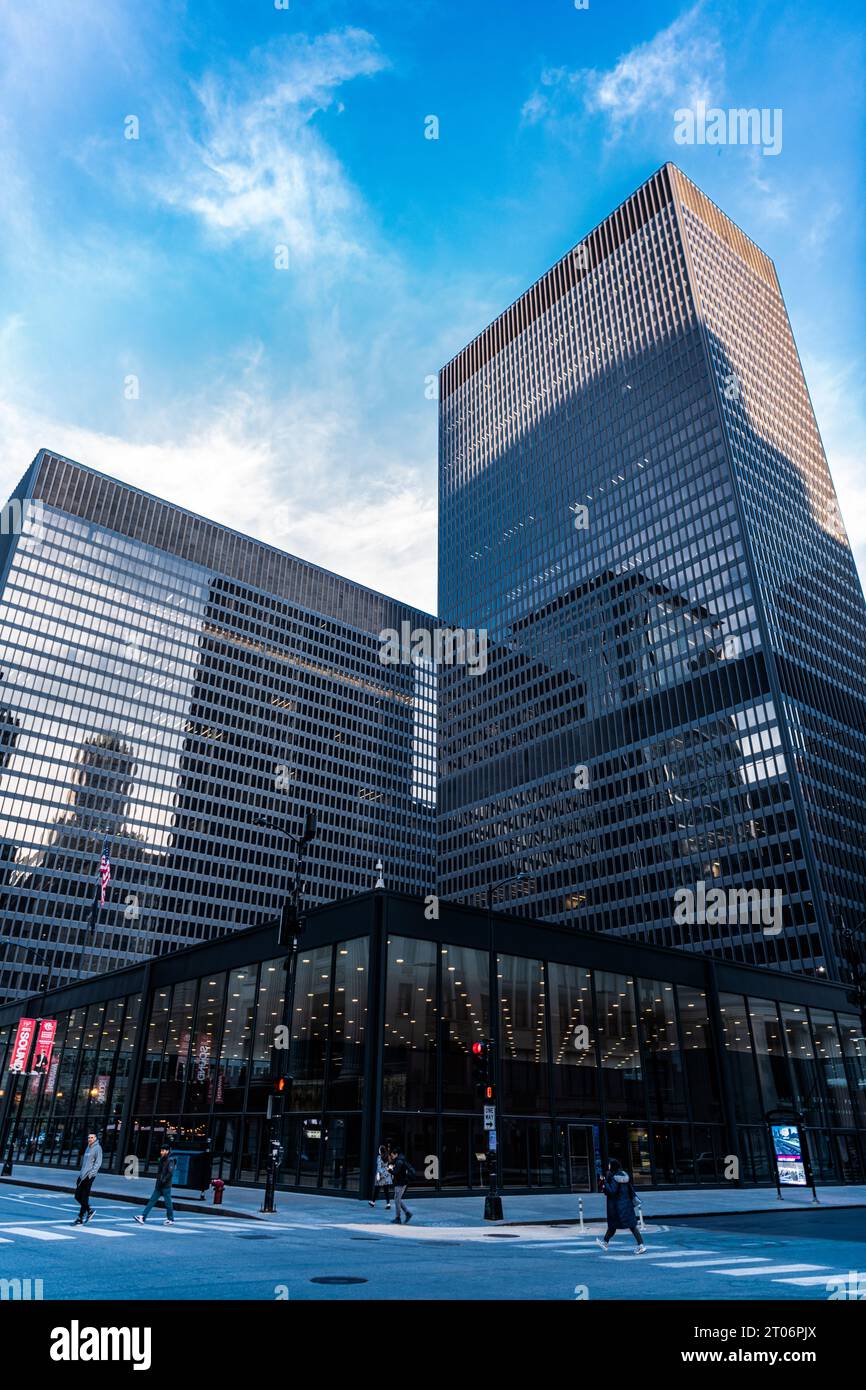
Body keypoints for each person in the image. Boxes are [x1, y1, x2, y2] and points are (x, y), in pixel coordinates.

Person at [596, 1157, 645, 1253]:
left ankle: (605, 1242)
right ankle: (640, 1245)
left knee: (613, 1225)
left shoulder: (614, 1178)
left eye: (610, 1165)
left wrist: (605, 1181)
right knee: (631, 1226)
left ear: (613, 1167)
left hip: (616, 1207)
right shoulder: (624, 1177)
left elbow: (612, 1191)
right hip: (627, 1206)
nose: (609, 1167)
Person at [134, 1143, 177, 1225]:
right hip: (159, 1185)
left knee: (168, 1203)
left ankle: (171, 1219)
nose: (161, 1152)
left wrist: (163, 1180)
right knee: (152, 1201)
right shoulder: (162, 1159)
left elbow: (170, 1173)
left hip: (165, 1186)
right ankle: (143, 1217)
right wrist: (159, 1182)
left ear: (167, 1151)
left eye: (163, 1150)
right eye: (161, 1150)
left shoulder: (170, 1160)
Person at [73, 1133, 102, 1225]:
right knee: (77, 1196)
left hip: (89, 1176)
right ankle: (89, 1210)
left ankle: (80, 1217)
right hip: (82, 1176)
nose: (90, 1139)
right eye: (89, 1137)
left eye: (92, 1137)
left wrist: (91, 1175)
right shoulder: (88, 1147)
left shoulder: (98, 1148)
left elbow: (98, 1163)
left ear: (95, 1138)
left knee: (84, 1197)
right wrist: (81, 1174)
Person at [389, 1146, 414, 1225]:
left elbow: (396, 1172)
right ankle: (407, 1213)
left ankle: (398, 1218)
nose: (392, 1157)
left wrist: (389, 1170)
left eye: (392, 1155)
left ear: (396, 1154)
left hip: (400, 1183)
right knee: (397, 1199)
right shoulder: (400, 1160)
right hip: (401, 1183)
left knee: (397, 1200)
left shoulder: (399, 1161)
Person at [368, 1144, 394, 1210]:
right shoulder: (388, 1156)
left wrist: (379, 1174)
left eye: (379, 1149)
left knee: (376, 1189)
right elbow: (391, 1165)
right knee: (386, 1190)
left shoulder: (379, 1157)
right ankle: (388, 1204)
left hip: (380, 1175)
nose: (378, 1150)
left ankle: (373, 1202)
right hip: (387, 1175)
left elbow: (379, 1167)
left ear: (380, 1151)